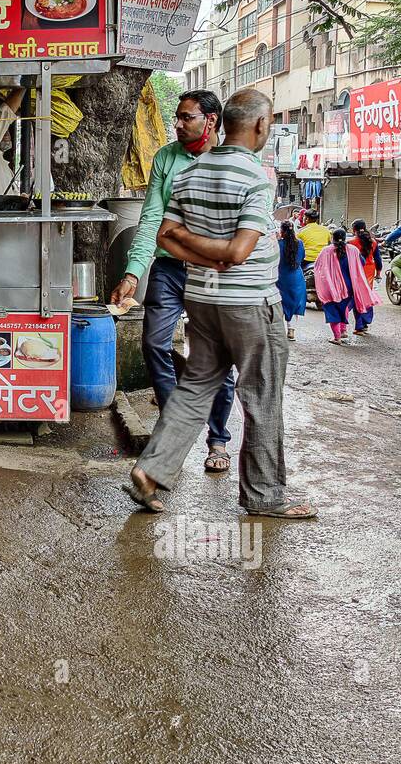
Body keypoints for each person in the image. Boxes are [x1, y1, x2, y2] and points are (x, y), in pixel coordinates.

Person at [124, 87, 316, 520]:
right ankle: (265, 496)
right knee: (262, 398)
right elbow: (238, 253)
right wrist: (222, 253)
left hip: (203, 300)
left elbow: (167, 236)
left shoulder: (190, 174)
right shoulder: (254, 177)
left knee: (194, 389)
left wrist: (198, 250)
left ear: (221, 122)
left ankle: (151, 472)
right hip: (250, 304)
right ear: (262, 126)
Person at [111, 89, 235, 475]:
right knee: (153, 344)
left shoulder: (231, 161)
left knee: (215, 358)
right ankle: (173, 430)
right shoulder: (166, 157)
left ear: (210, 121)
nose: (177, 124)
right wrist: (133, 273)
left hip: (210, 271)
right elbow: (151, 218)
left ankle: (218, 439)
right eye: (177, 117)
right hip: (167, 268)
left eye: (186, 117)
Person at [313, 228, 380, 342]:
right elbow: (362, 262)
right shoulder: (353, 250)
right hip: (350, 286)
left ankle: (337, 337)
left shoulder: (326, 251)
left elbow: (318, 267)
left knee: (332, 310)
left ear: (332, 238)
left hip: (332, 286)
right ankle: (343, 330)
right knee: (344, 308)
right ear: (345, 238)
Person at [276, 219, 307, 341]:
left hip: (281, 277)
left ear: (282, 231)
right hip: (296, 278)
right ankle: (291, 331)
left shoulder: (278, 244)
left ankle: (278, 331)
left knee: (280, 304)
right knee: (294, 304)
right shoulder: (299, 243)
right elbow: (302, 257)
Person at [347, 219, 382, 290]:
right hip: (369, 271)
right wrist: (378, 274)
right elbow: (378, 259)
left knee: (355, 292)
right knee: (367, 292)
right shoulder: (373, 242)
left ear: (354, 230)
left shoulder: (350, 243)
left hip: (355, 270)